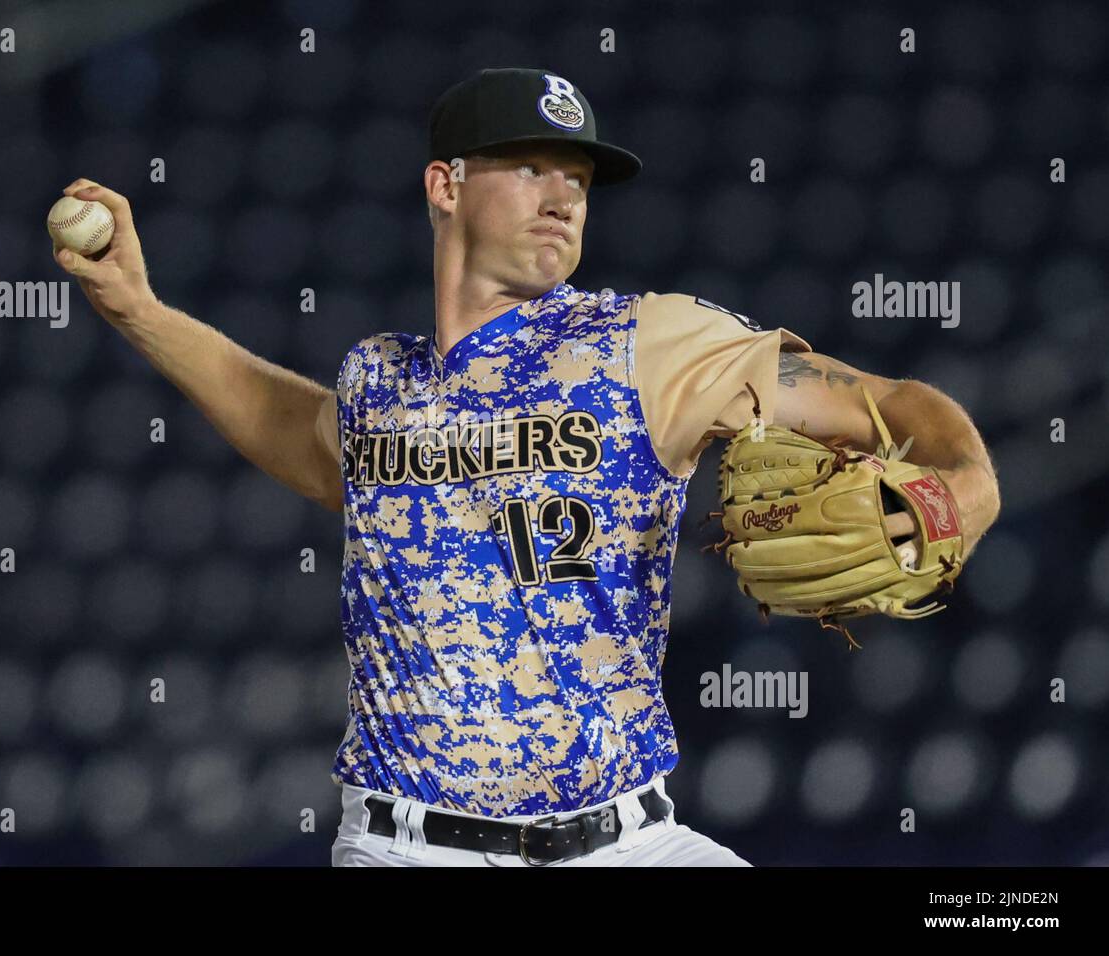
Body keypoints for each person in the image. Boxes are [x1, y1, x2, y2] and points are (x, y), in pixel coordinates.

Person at [53, 67, 1000, 867]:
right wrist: (139, 309)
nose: (563, 196)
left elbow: (895, 404)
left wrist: (965, 488)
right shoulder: (378, 379)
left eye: (580, 178)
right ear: (445, 186)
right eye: (531, 165)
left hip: (629, 842)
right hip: (411, 849)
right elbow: (295, 430)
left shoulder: (649, 342)